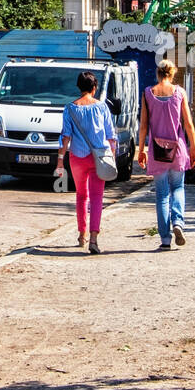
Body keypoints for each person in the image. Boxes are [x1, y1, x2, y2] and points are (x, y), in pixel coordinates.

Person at [136, 59, 195, 249]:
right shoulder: (179, 92)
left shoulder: (148, 93)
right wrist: (193, 148)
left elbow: (144, 126)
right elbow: (188, 123)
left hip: (157, 151)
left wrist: (141, 150)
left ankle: (165, 239)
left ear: (158, 73)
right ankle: (178, 222)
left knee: (162, 195)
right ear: (171, 74)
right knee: (178, 188)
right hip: (177, 148)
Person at [56, 71, 118, 254]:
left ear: (79, 87)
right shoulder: (102, 107)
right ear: (94, 88)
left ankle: (81, 234)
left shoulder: (70, 108)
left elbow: (65, 137)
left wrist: (60, 160)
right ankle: (94, 239)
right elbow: (111, 135)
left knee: (81, 195)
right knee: (97, 197)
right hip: (99, 157)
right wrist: (112, 157)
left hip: (77, 157)